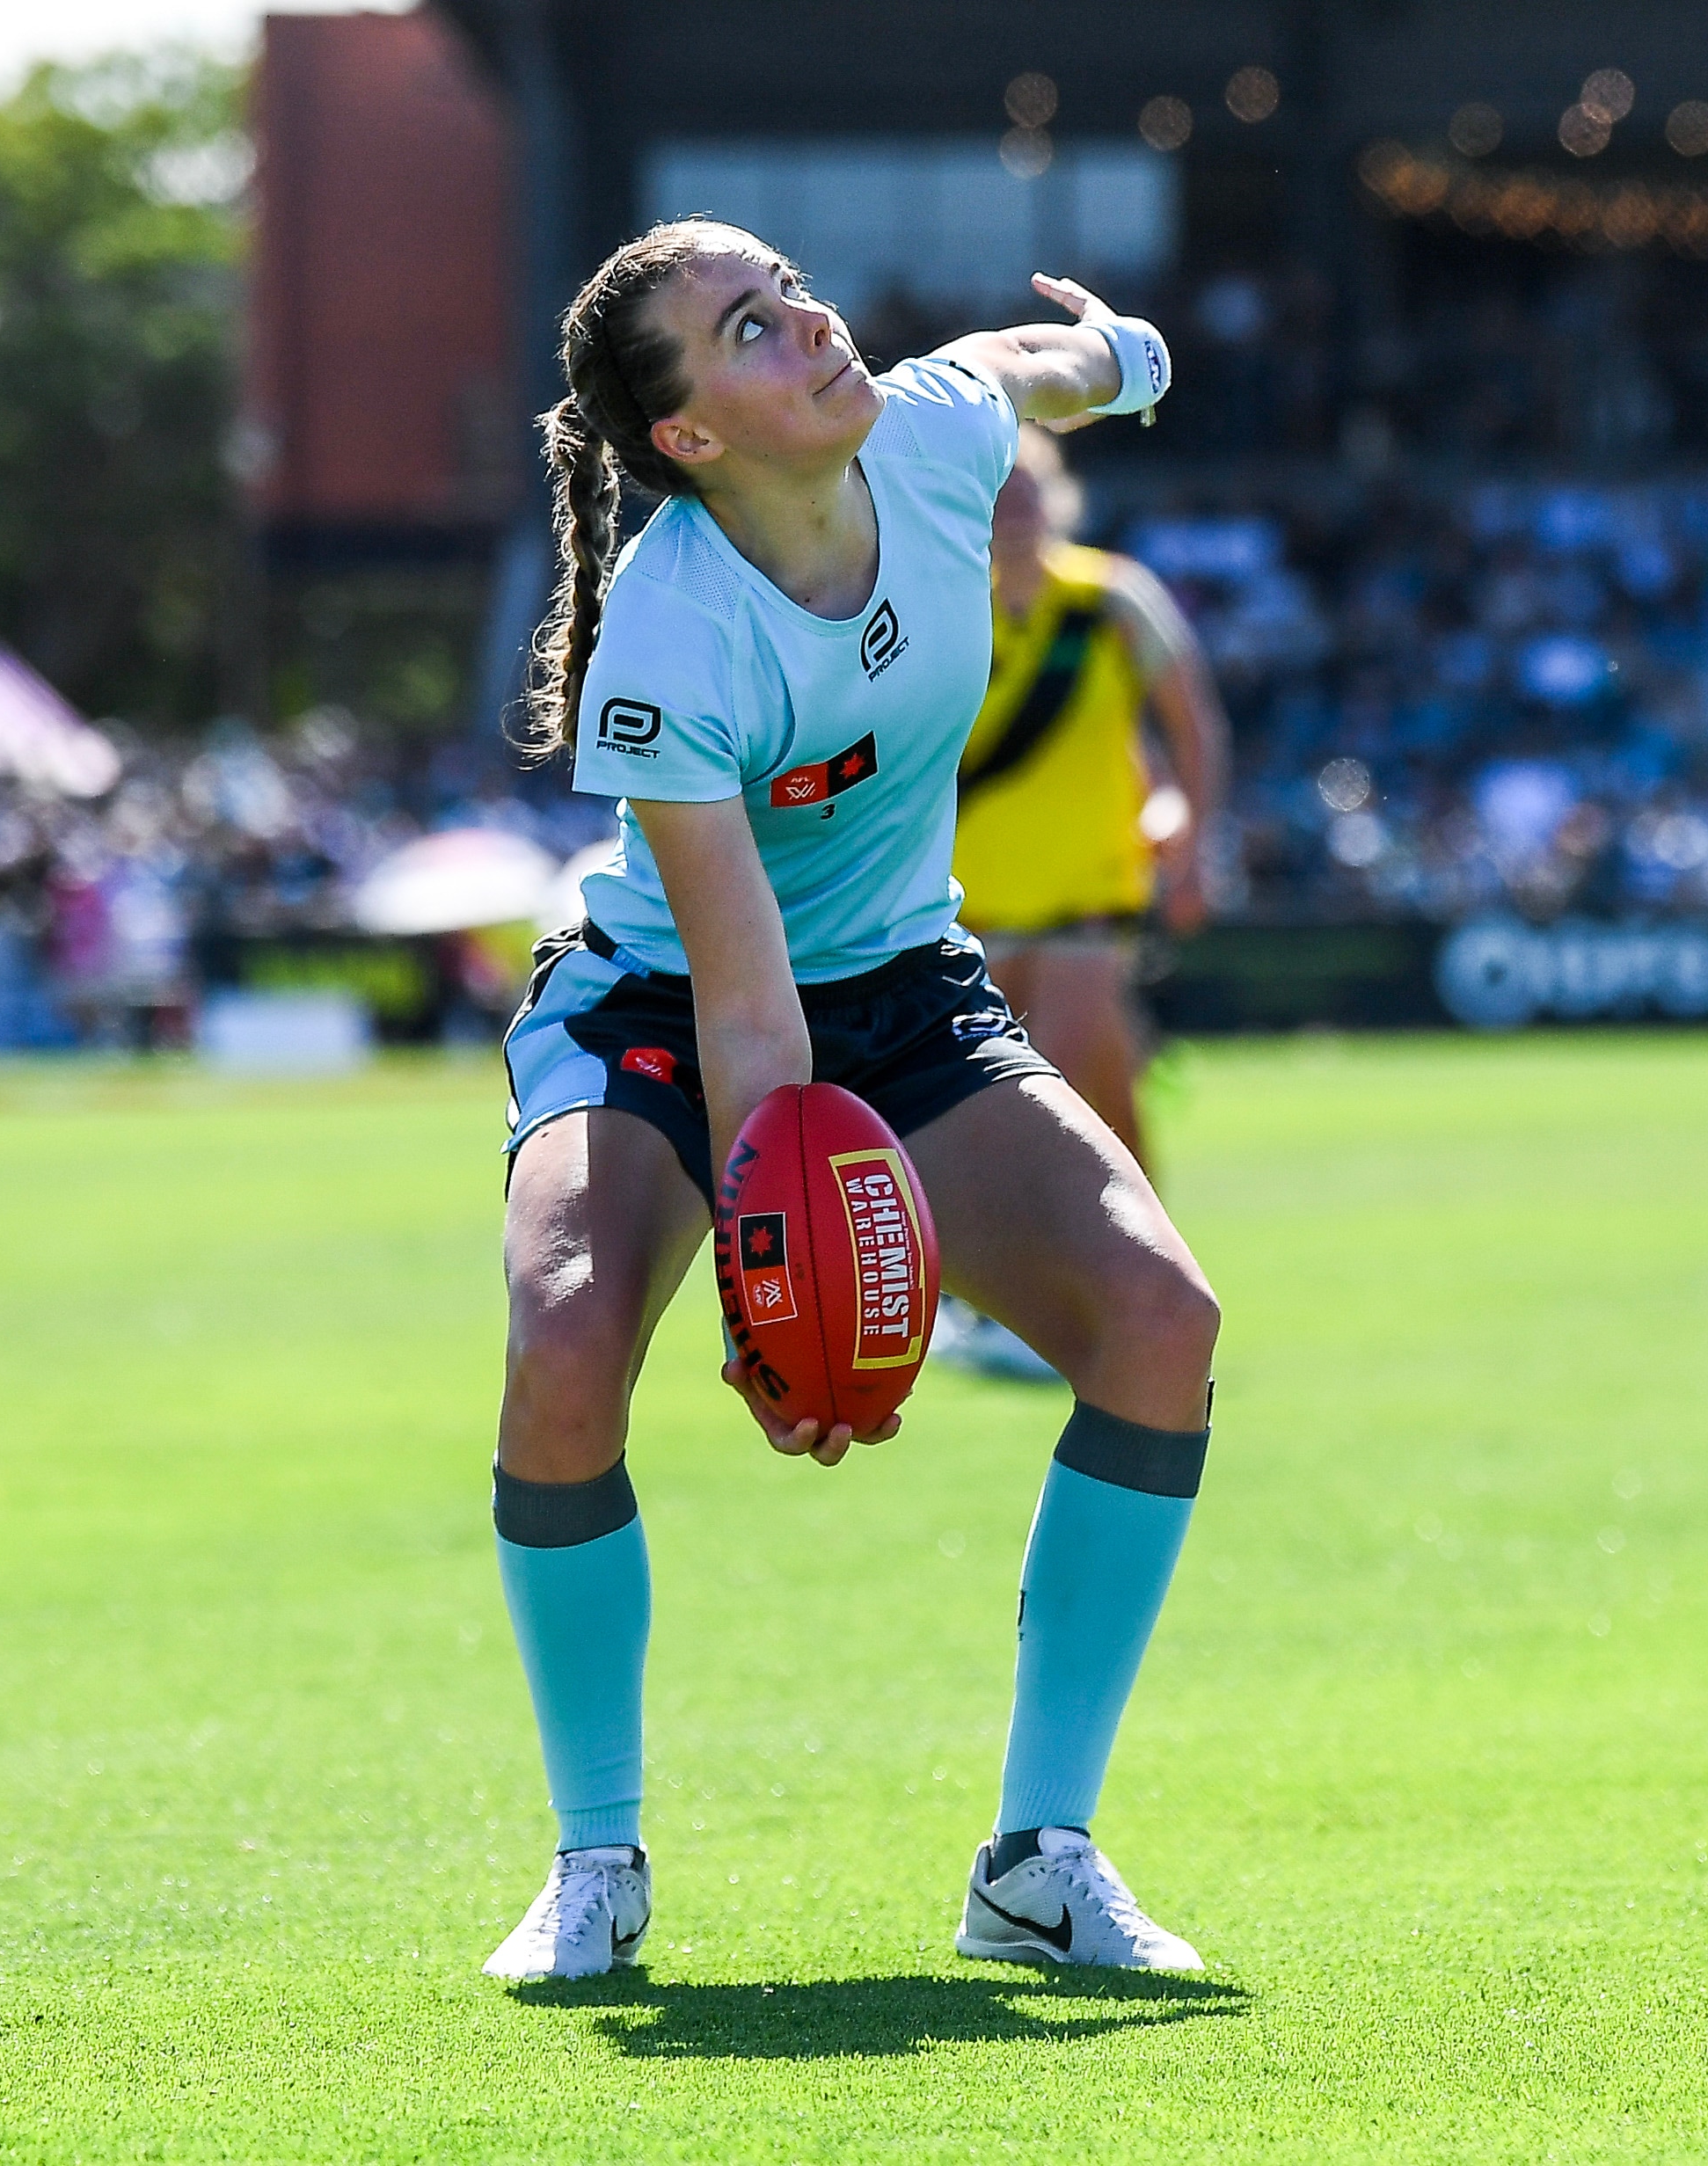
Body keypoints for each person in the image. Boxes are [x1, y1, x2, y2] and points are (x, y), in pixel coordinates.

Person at [485, 221, 1218, 1980]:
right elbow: (745, 1002)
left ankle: (1038, 1857)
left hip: (897, 983)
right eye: (748, 327)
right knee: (566, 1338)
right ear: (689, 441)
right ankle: (594, 1859)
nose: (809, 316)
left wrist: (1129, 348)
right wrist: (771, 1299)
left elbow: (1061, 368)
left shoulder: (940, 428)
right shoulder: (665, 631)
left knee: (1159, 1318)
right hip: (663, 1010)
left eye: (793, 283)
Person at [935, 425, 1230, 1382]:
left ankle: (1131, 1279)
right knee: (968, 1113)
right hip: (964, 911)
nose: (1012, 507)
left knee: (1079, 1084)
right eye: (997, 492)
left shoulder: (1110, 602)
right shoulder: (940, 609)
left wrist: (1189, 839)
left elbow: (1192, 725)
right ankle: (1004, 1298)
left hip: (1087, 900)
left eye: (1026, 489)